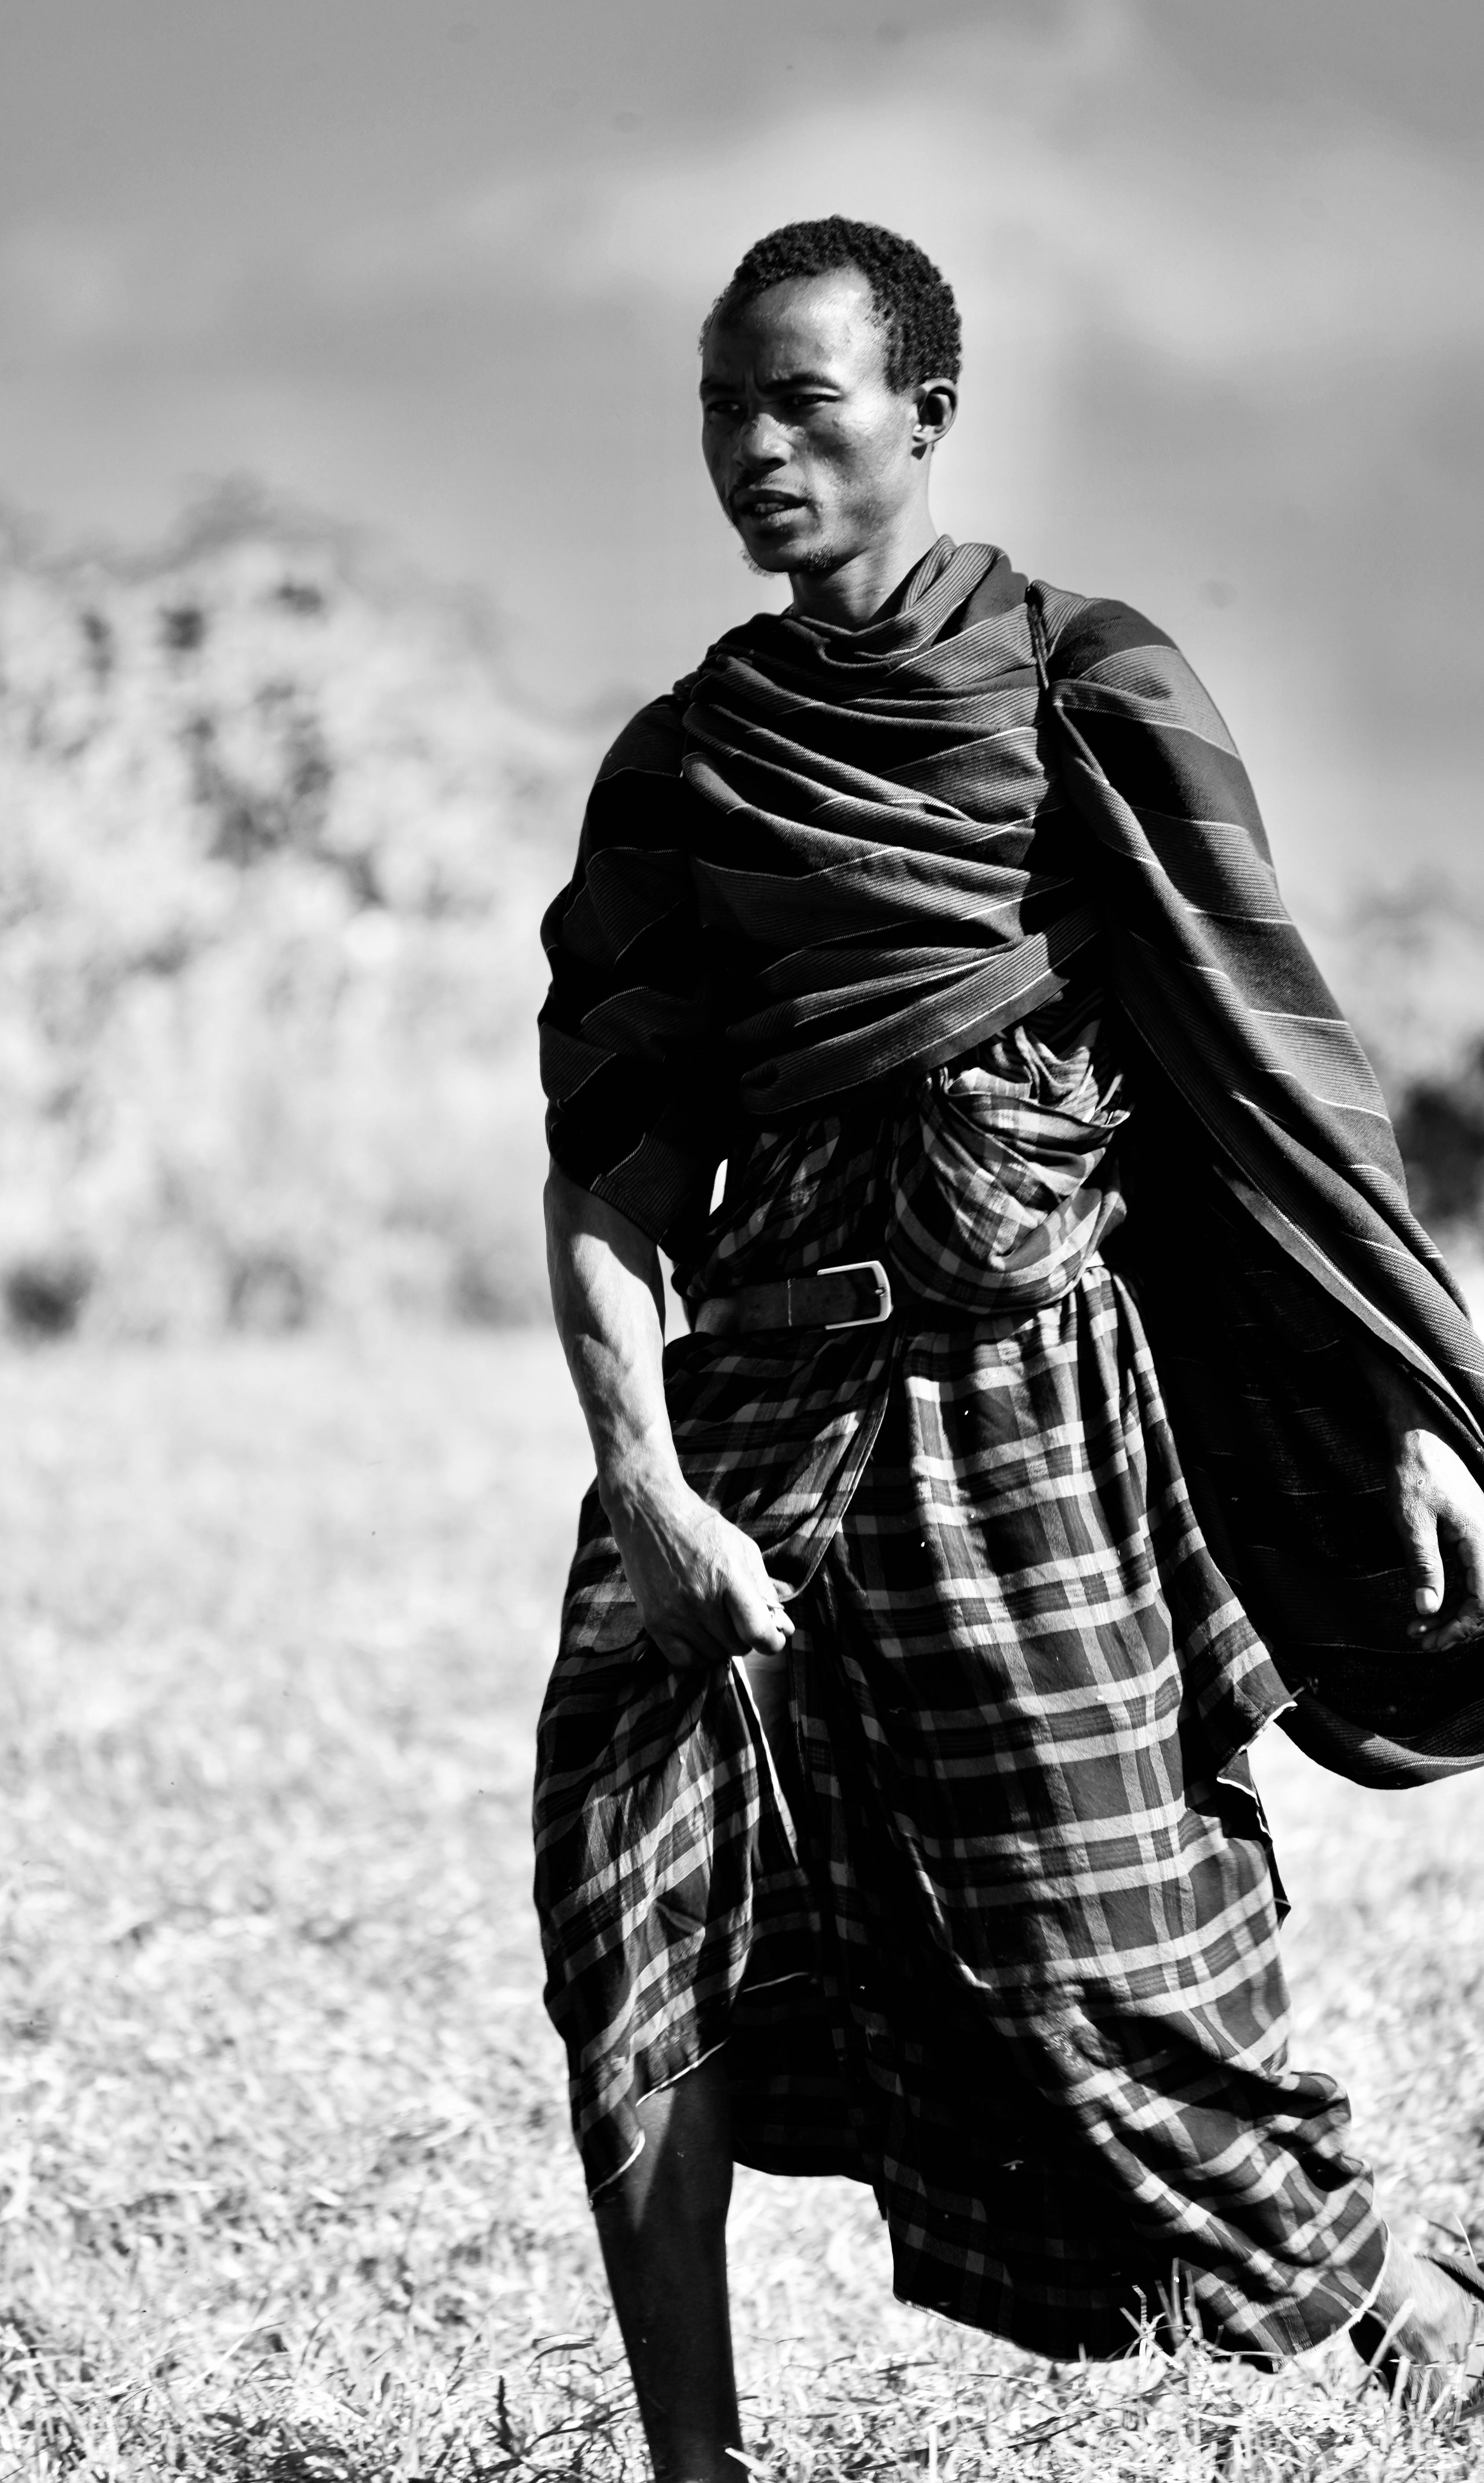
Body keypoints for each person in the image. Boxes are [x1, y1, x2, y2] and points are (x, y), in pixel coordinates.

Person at [534, 215, 1484, 2481]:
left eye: (805, 400)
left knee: (1110, 1981)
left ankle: (1411, 2343)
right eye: (720, 407)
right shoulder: (685, 770)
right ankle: (695, 2473)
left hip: (1029, 1410)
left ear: (926, 413)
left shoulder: (1088, 681)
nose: (753, 448)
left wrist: (1410, 1418)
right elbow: (601, 1178)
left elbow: (1265, 1076)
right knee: (625, 1925)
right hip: (758, 1406)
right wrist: (653, 1496)